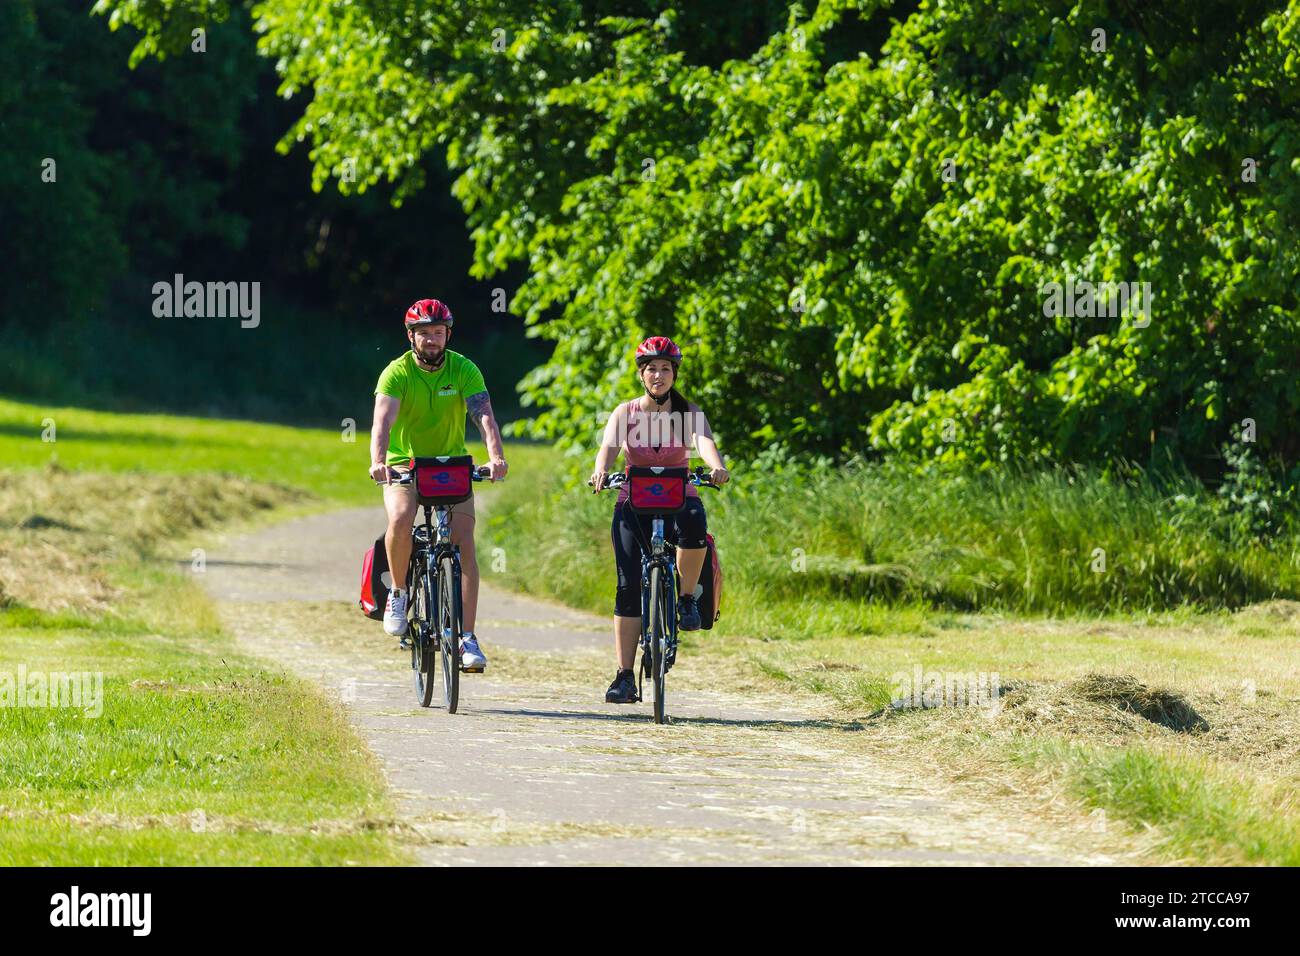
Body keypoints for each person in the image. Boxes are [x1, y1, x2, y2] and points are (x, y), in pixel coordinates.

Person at [368, 298, 508, 672]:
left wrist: (496, 457)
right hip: (404, 465)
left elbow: (484, 416)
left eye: (438, 332)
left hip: (451, 464)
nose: (432, 339)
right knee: (399, 518)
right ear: (411, 336)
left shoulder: (464, 369)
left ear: (448, 334)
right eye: (424, 333)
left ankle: (467, 637)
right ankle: (398, 593)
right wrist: (379, 461)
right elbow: (382, 421)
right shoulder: (395, 373)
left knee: (463, 541)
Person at [589, 336, 730, 704]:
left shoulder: (688, 412)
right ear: (641, 374)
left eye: (666, 368)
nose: (659, 374)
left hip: (678, 494)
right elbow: (608, 448)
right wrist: (601, 472)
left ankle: (685, 599)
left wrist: (716, 468)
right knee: (627, 586)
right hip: (633, 501)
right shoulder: (626, 412)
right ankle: (624, 676)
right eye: (651, 368)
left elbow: (703, 442)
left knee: (696, 521)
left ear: (674, 374)